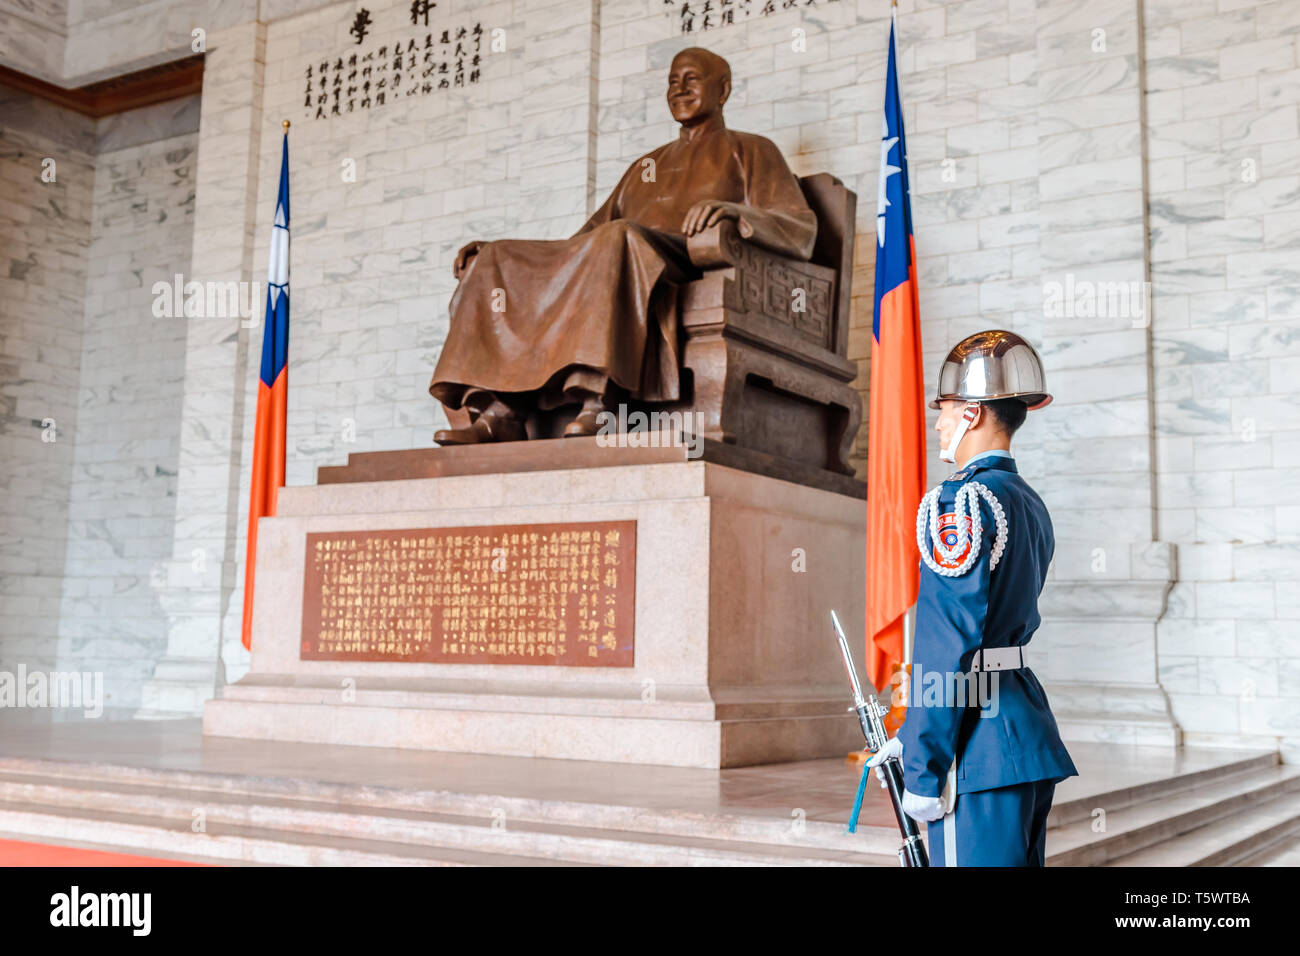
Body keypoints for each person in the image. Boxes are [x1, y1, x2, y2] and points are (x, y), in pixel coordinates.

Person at [429, 46, 817, 444]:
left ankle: (601, 401)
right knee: (498, 256)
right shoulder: (647, 167)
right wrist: (510, 255)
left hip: (685, 260)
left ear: (723, 90)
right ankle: (502, 411)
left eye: (692, 79)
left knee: (619, 237)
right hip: (622, 252)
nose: (679, 89)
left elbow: (800, 227)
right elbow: (583, 240)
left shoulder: (750, 150)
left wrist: (735, 212)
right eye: (672, 81)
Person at [867, 329, 1078, 867]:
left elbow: (949, 642)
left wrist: (924, 766)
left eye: (947, 408)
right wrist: (912, 736)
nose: (938, 421)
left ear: (974, 414)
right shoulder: (1027, 501)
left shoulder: (960, 500)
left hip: (973, 750)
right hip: (1018, 730)